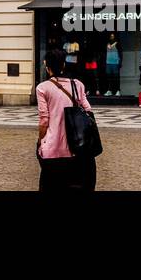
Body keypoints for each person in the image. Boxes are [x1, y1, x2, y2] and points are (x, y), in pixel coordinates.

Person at [36, 49, 97, 191]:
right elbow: (88, 110)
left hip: (53, 149)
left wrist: (40, 140)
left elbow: (44, 120)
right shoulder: (78, 85)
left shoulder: (43, 88)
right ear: (64, 65)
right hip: (78, 147)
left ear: (47, 67)